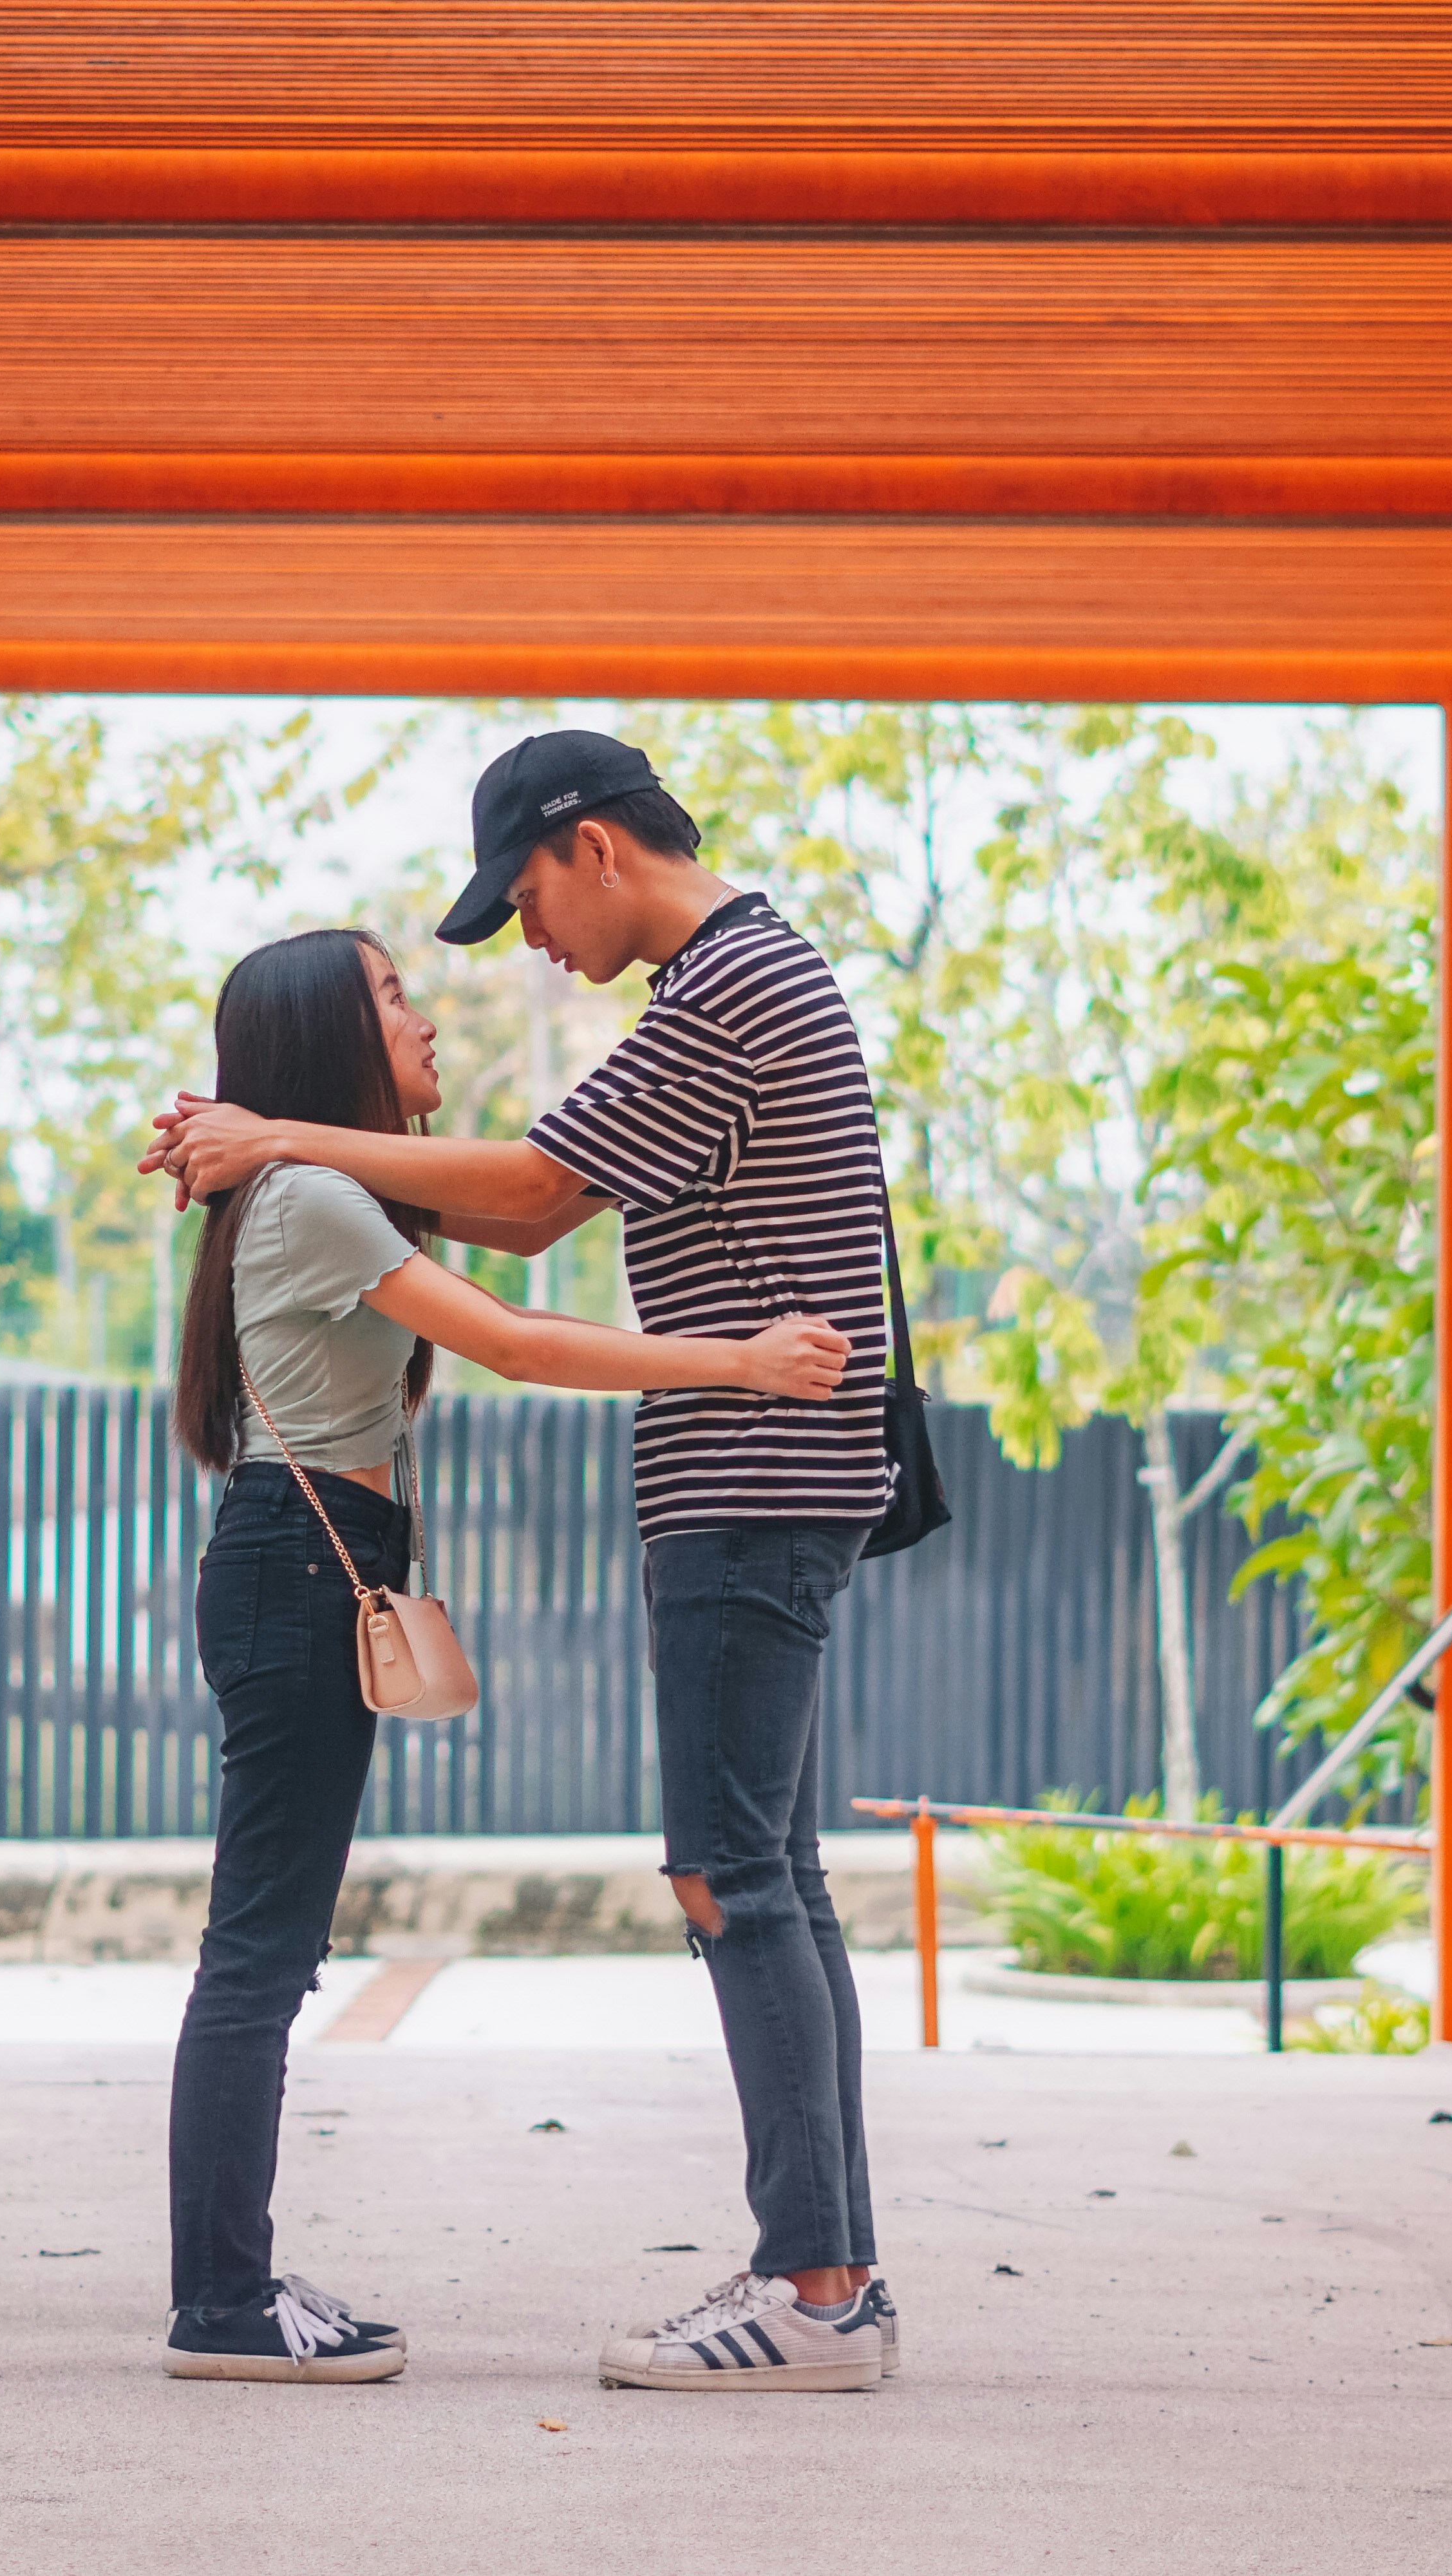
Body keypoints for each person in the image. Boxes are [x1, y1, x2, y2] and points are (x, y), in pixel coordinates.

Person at [146, 732, 904, 2395]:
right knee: (759, 1875)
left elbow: (538, 1206)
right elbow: (509, 1278)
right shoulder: (746, 981)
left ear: (597, 848)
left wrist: (283, 1132)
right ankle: (828, 2277)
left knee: (734, 1877)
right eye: (414, 989)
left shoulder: (723, 990)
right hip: (714, 1477)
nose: (529, 952)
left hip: (750, 1477)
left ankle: (819, 2282)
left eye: (529, 904)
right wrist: (285, 1141)